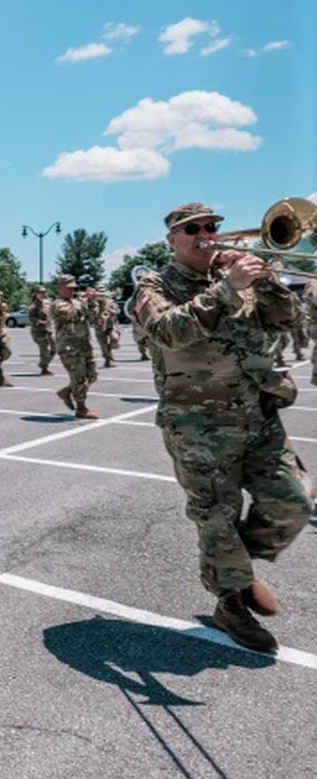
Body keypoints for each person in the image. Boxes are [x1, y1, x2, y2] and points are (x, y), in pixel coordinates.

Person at [132, 200, 313, 653]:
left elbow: (286, 320)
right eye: (191, 228)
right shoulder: (154, 284)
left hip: (258, 415)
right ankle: (231, 602)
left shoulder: (238, 277)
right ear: (172, 239)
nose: (206, 233)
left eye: (211, 226)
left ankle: (231, 565)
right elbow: (168, 331)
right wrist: (227, 289)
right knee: (217, 517)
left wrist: (266, 279)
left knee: (294, 500)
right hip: (198, 426)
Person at [50, 273, 98, 419]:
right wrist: (86, 300)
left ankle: (66, 391)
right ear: (60, 288)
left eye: (74, 288)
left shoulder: (77, 301)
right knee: (79, 378)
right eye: (68, 288)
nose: (72, 291)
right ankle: (81, 408)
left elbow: (93, 316)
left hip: (84, 343)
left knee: (92, 375)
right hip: (69, 346)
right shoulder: (57, 304)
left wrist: (93, 302)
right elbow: (73, 314)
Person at [27, 285, 55, 375]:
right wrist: (42, 322)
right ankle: (44, 368)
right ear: (36, 294)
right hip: (38, 331)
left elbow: (52, 313)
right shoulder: (33, 306)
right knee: (44, 349)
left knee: (55, 348)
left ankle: (43, 363)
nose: (43, 294)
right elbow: (31, 319)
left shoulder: (48, 302)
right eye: (41, 292)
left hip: (49, 329)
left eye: (44, 292)